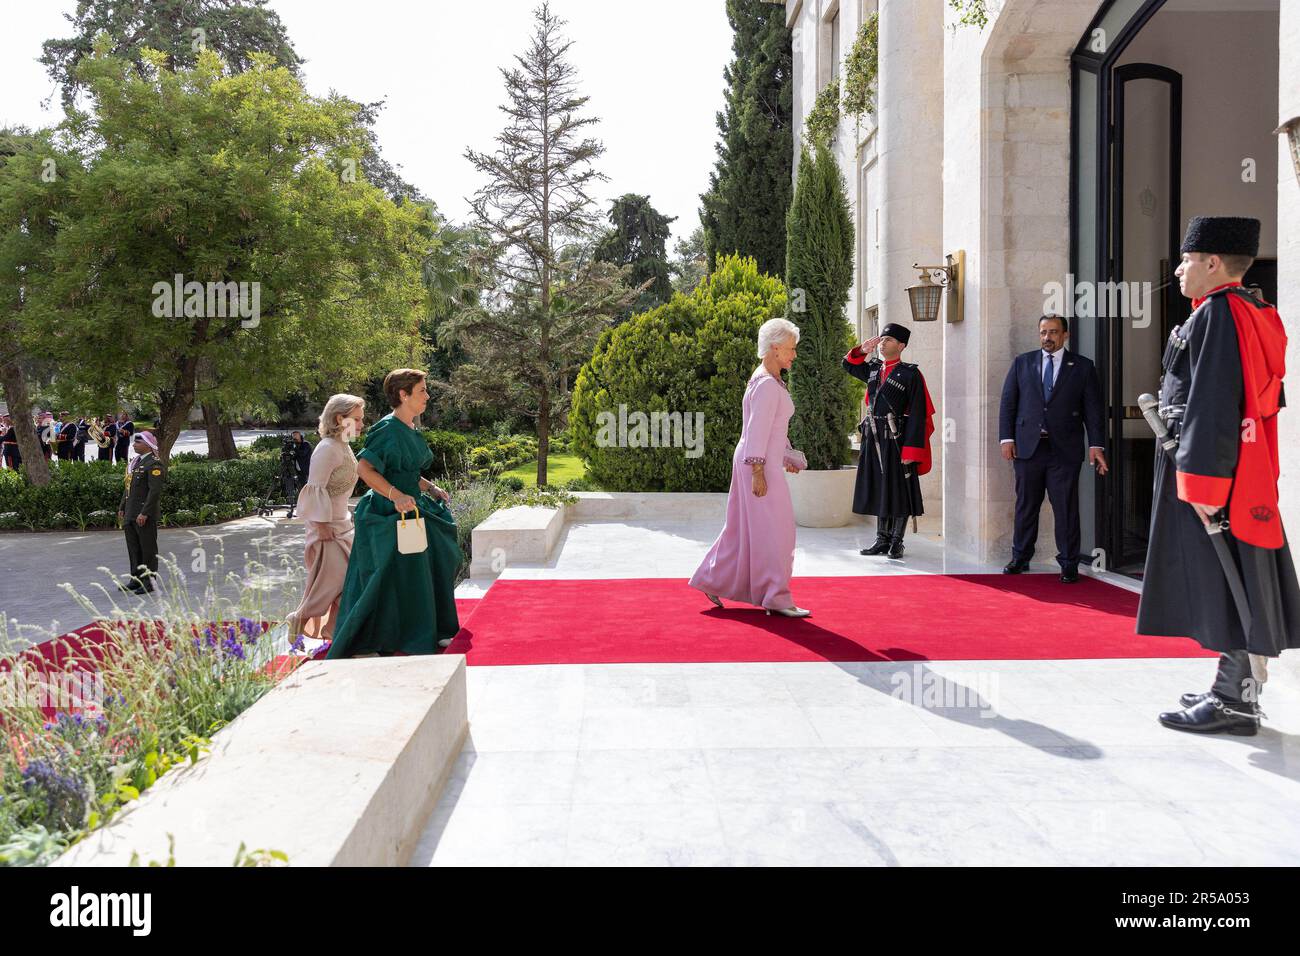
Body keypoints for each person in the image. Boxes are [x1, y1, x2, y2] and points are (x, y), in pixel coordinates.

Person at [1137, 216, 1299, 735]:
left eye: (1186, 260)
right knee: (1229, 576)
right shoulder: (1246, 308)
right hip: (1223, 467)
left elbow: (1212, 404)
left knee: (1224, 581)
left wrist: (1203, 486)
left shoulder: (1221, 314)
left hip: (1210, 472)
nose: (1179, 270)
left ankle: (1235, 700)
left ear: (1212, 262)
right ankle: (1230, 685)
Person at [326, 369, 461, 657]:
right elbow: (365, 469)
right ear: (404, 394)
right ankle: (368, 641)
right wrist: (396, 495)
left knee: (425, 566)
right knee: (383, 579)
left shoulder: (410, 427)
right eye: (422, 390)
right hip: (387, 513)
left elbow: (405, 470)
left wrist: (430, 487)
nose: (427, 395)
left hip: (410, 507)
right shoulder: (387, 428)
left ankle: (428, 629)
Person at [689, 317, 810, 617]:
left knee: (744, 530)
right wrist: (758, 471)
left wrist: (787, 456)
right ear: (775, 348)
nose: (794, 355)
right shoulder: (767, 384)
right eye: (791, 349)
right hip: (757, 465)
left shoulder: (766, 379)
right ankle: (776, 596)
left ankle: (713, 578)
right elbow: (757, 431)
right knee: (777, 532)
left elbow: (771, 430)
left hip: (759, 461)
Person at [998, 314, 1107, 583]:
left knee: (1066, 508)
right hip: (1028, 449)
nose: (1047, 337)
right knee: (1026, 506)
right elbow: (1008, 403)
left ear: (1065, 335)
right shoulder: (1023, 363)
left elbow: (1093, 411)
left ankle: (1068, 563)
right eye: (1043, 332)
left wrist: (1096, 444)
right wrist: (1006, 439)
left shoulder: (1082, 367)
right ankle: (1020, 557)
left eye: (1054, 332)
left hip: (1064, 450)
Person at [842, 323, 936, 559]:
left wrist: (912, 450)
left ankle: (897, 541)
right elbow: (848, 365)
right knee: (880, 487)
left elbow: (917, 413)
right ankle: (881, 540)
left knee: (898, 489)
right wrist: (862, 350)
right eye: (882, 340)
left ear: (901, 346)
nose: (883, 343)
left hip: (897, 439)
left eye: (889, 340)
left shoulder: (910, 374)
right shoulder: (873, 369)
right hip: (873, 436)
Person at [284, 396, 364, 642]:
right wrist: (321, 526)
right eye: (357, 419)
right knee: (330, 584)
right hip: (327, 529)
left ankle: (331, 629)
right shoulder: (327, 448)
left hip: (343, 525)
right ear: (340, 419)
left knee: (348, 583)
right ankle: (300, 617)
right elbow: (314, 488)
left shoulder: (343, 445)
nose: (361, 424)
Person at [117, 431, 165, 594]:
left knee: (147, 549)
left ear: (147, 445)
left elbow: (154, 491)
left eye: (137, 442)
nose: (134, 444)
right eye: (134, 442)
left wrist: (144, 513)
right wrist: (123, 506)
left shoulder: (154, 464)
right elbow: (129, 487)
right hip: (131, 513)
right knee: (134, 548)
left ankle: (149, 582)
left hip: (143, 514)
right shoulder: (136, 463)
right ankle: (136, 579)